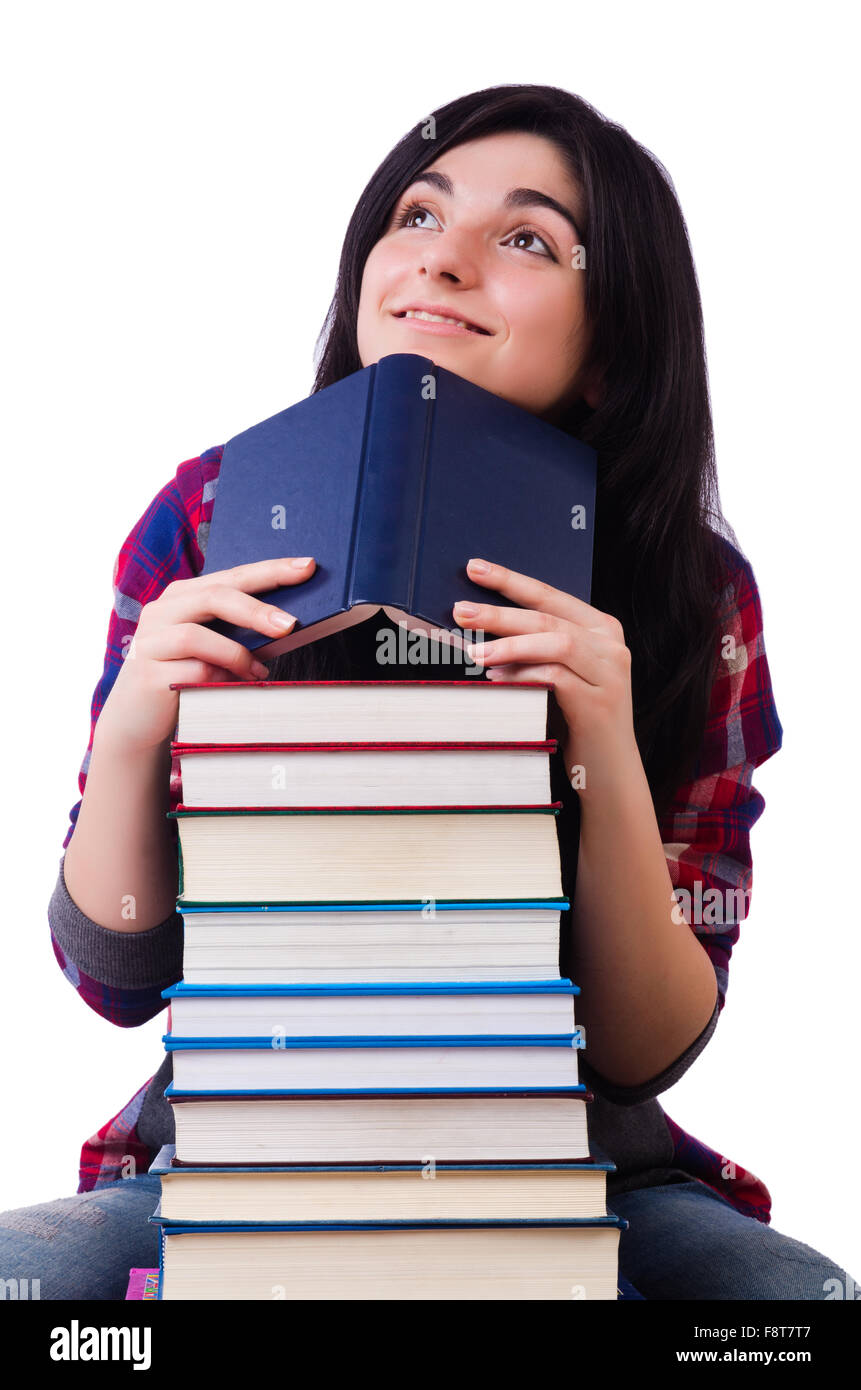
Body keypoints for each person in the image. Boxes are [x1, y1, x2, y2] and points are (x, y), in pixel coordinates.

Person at [2, 84, 854, 1301]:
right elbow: (113, 978)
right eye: (415, 214)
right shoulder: (206, 516)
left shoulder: (694, 594)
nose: (440, 260)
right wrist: (140, 727)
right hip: (230, 1153)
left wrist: (603, 747)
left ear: (612, 348)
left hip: (585, 1168)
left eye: (526, 239)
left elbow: (646, 1048)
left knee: (794, 1312)